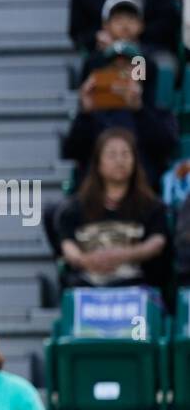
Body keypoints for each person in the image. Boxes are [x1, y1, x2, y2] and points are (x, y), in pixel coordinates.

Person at [56, 127, 170, 297]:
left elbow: (157, 242)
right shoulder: (75, 207)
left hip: (136, 285)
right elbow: (68, 244)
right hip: (87, 284)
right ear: (98, 163)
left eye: (125, 154)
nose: (119, 160)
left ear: (135, 161)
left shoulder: (152, 206)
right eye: (111, 155)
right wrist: (85, 260)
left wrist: (124, 255)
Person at [62, 41, 177, 186]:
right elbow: (72, 151)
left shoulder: (157, 112)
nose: (122, 74)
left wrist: (139, 110)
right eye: (115, 68)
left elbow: (165, 147)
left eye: (129, 69)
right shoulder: (92, 114)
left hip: (143, 191)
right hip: (97, 191)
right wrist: (85, 114)